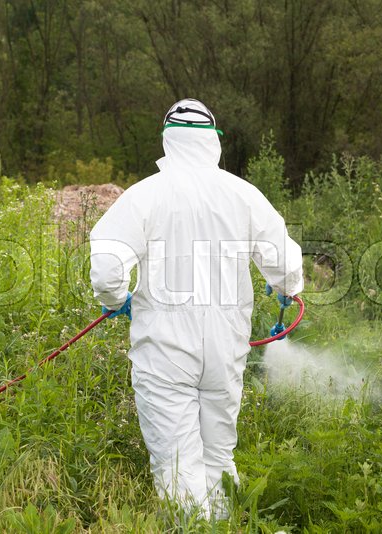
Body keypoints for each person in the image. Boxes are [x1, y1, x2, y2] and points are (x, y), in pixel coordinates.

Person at [89, 98, 303, 519]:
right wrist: (285, 288)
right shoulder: (242, 194)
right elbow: (285, 262)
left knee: (176, 460)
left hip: (165, 349)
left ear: (168, 140)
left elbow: (107, 266)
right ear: (214, 142)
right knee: (218, 453)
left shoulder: (145, 195)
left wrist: (117, 301)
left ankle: (195, 526)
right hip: (226, 347)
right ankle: (227, 523)